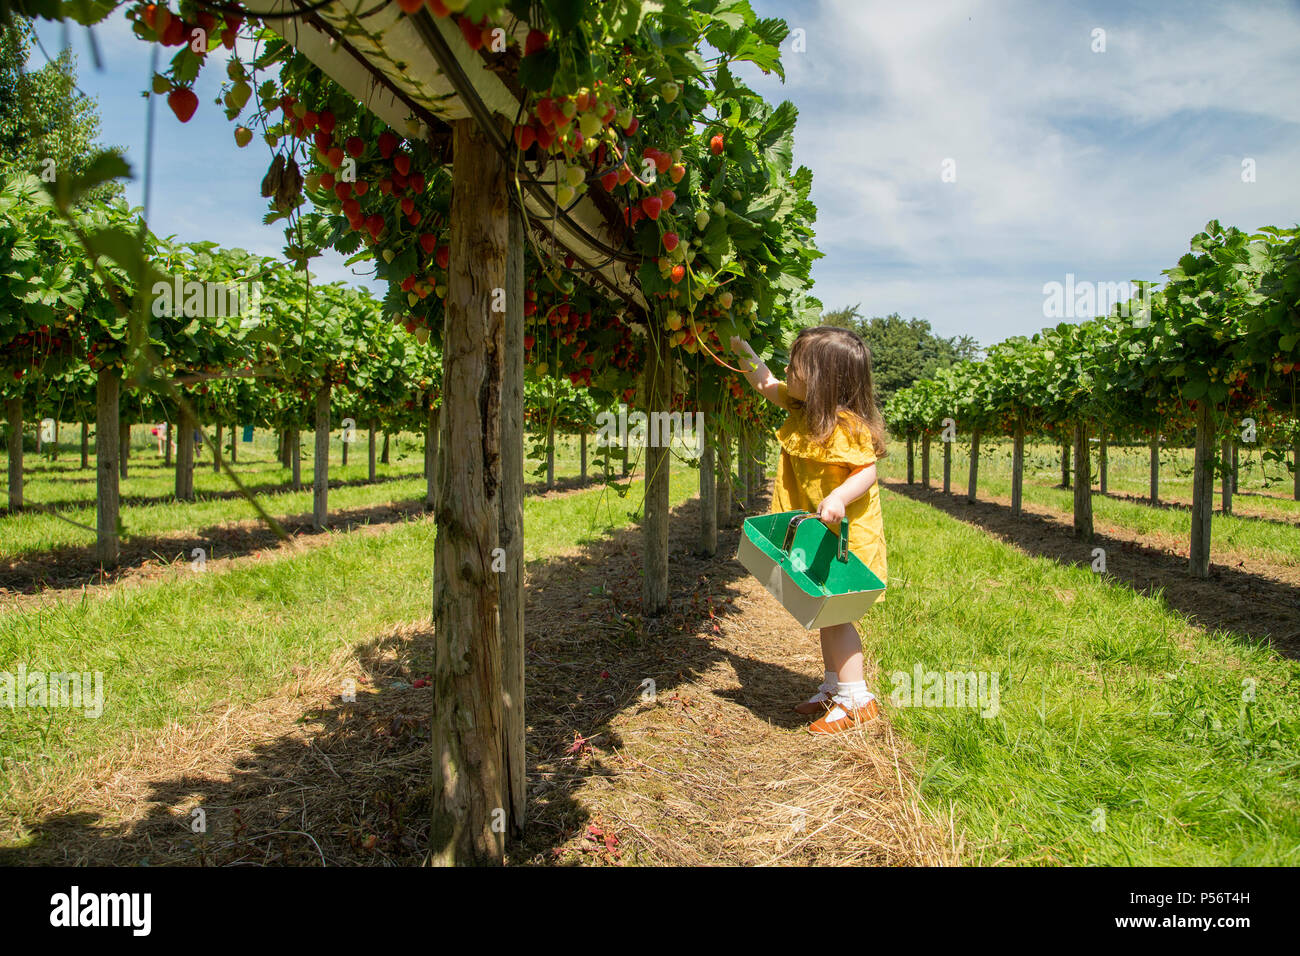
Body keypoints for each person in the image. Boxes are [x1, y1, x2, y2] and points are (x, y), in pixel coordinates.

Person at [730, 326, 889, 734]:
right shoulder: (800, 408)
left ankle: (857, 699)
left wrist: (838, 497)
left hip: (844, 543)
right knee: (824, 612)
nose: (786, 370)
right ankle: (835, 687)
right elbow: (764, 381)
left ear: (820, 380)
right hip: (821, 537)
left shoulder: (847, 427)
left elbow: (867, 471)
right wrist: (741, 348)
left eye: (795, 366)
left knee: (838, 618)